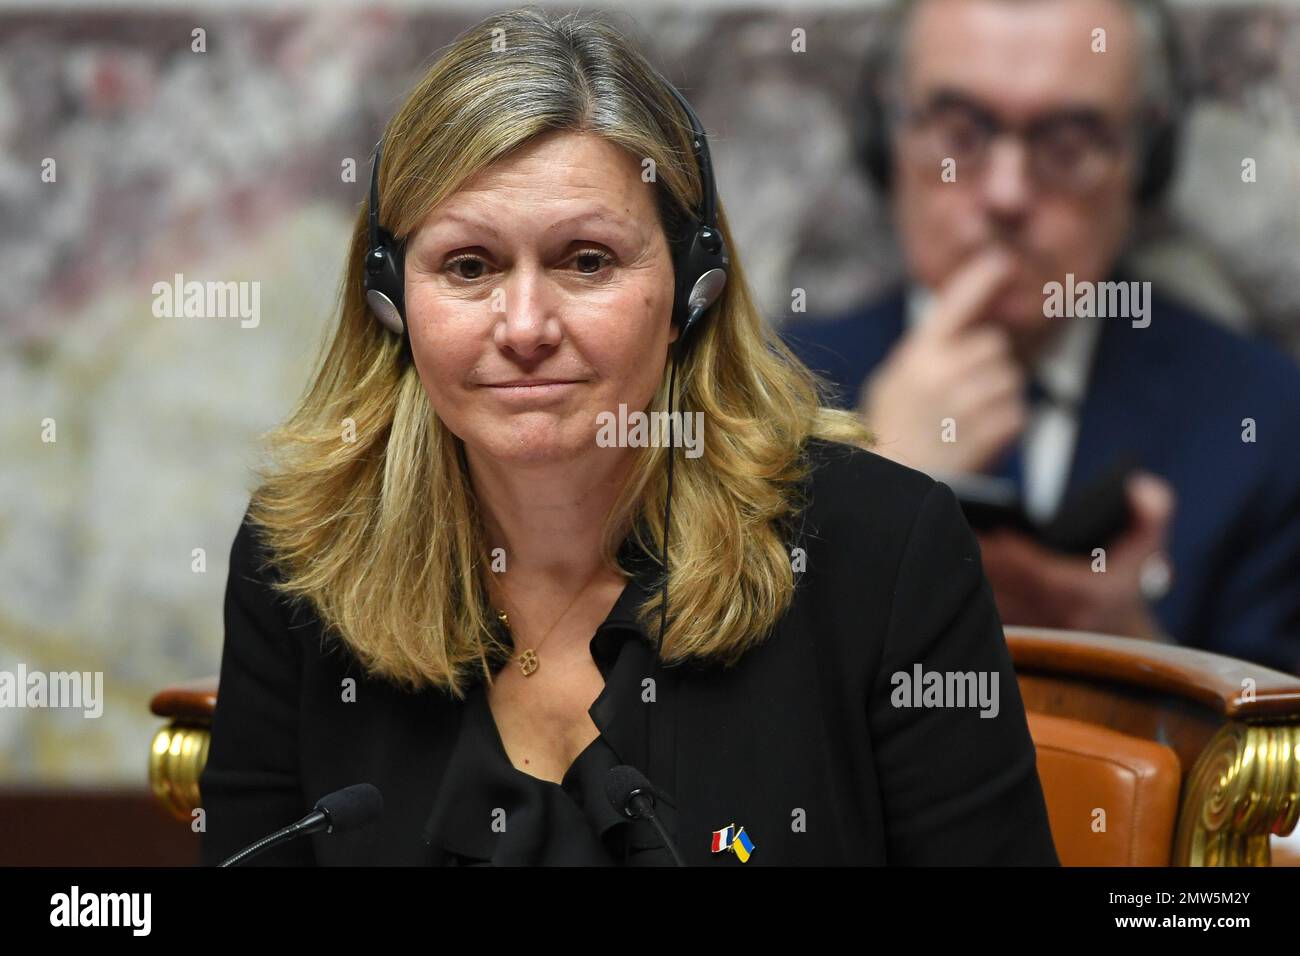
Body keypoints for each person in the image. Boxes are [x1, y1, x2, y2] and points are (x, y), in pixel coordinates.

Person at [199, 7, 1058, 866]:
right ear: (392, 303)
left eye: (587, 261)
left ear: (693, 289)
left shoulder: (882, 555)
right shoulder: (303, 559)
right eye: (469, 267)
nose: (526, 325)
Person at [783, 0, 1300, 675]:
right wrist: (880, 485)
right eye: (960, 132)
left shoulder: (1264, 416)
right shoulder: (767, 386)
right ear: (887, 139)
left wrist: (1143, 663)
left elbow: (1278, 761)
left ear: (1145, 161)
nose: (1005, 194)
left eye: (1066, 144)